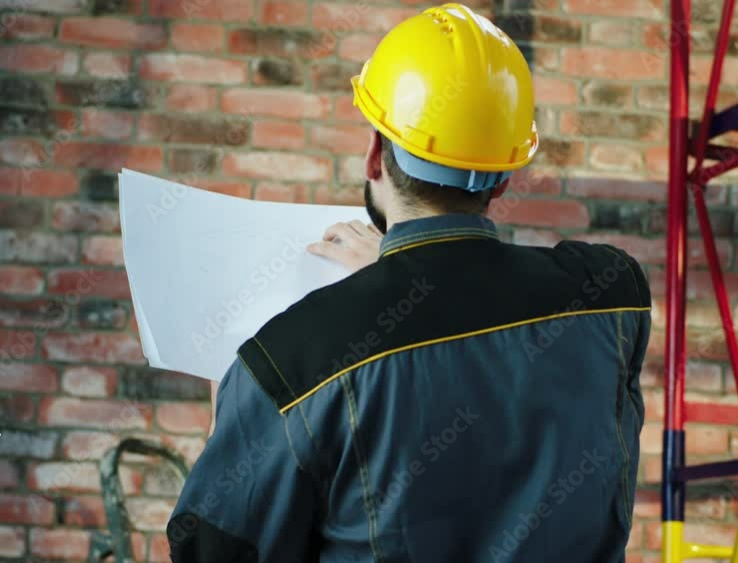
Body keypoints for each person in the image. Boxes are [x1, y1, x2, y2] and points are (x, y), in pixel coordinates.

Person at [166, 4, 651, 561]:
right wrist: (407, 278)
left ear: (375, 154)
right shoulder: (612, 297)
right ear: (504, 176)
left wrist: (229, 423)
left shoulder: (286, 366)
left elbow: (210, 550)